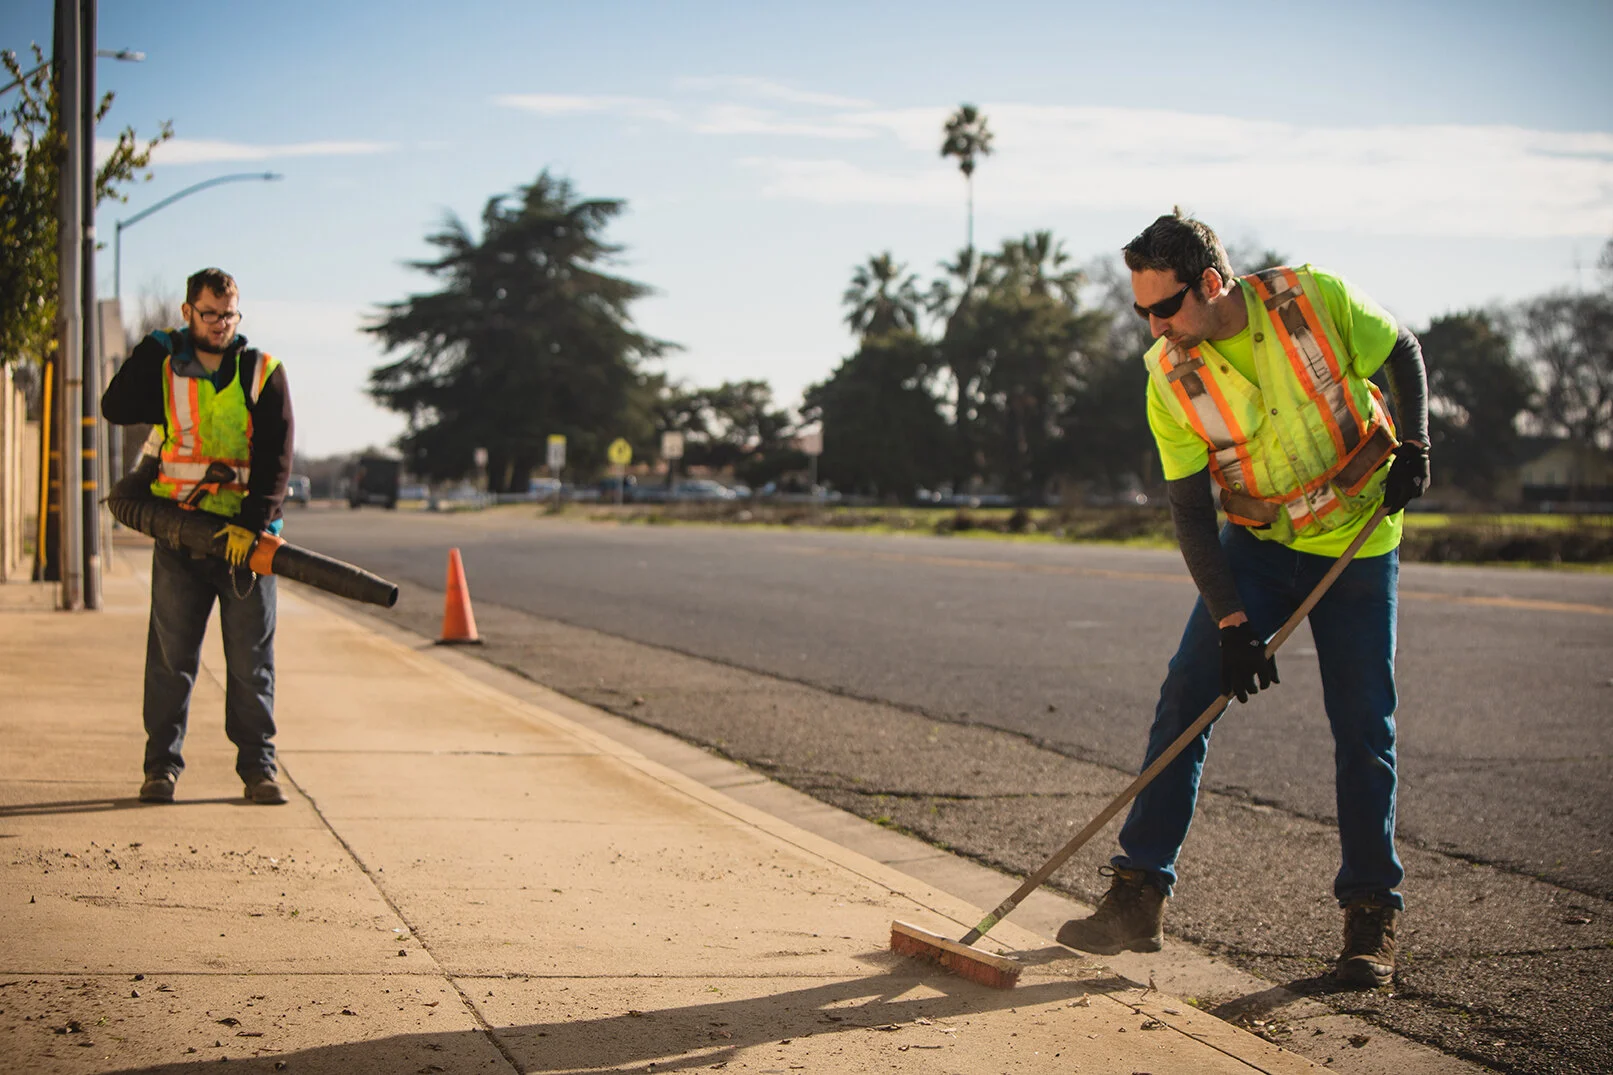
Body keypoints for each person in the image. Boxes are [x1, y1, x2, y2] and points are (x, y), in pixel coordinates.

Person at [1056, 212, 1430, 989]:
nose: (1155, 328)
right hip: (1257, 549)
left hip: (1357, 540)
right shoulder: (1168, 377)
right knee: (1186, 695)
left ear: (1211, 283)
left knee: (1364, 723)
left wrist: (1417, 443)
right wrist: (1230, 620)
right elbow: (1191, 513)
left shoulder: (1314, 299)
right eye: (1142, 312)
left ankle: (1370, 913)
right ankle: (1138, 893)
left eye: (1166, 308)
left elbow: (1402, 348)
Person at [102, 268, 295, 806]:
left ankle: (258, 769)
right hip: (180, 537)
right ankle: (160, 768)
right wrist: (152, 348)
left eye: (228, 315)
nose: (220, 324)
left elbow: (276, 458)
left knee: (251, 665)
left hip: (245, 546)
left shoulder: (262, 372)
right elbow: (115, 407)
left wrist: (252, 523)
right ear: (188, 312)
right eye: (209, 314)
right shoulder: (167, 369)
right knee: (171, 661)